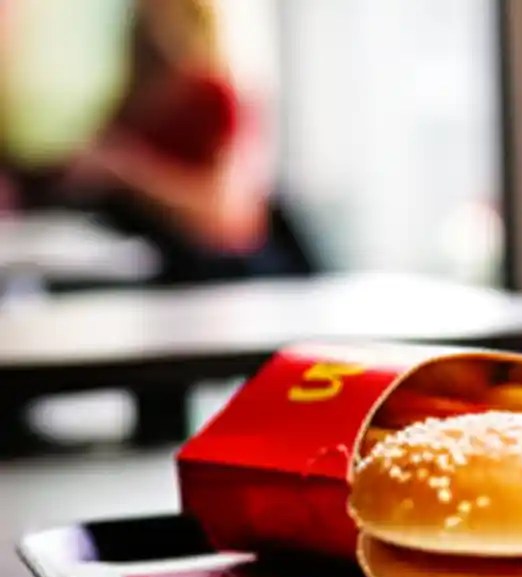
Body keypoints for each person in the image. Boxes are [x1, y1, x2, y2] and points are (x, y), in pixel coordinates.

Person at [0, 0, 312, 455]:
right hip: (131, 276)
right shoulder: (130, 97)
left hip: (202, 280)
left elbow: (227, 218)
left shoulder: (212, 96)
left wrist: (127, 173)